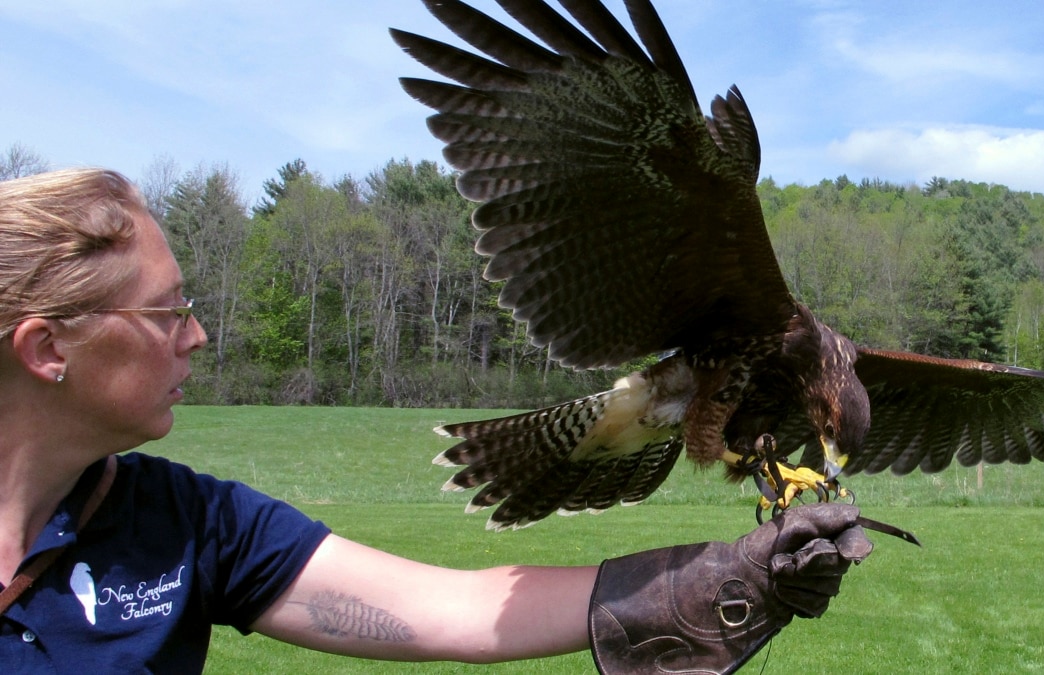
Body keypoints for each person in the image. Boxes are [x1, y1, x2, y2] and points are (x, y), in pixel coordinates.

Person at [0, 167, 873, 673]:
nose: (198, 335)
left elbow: (449, 608)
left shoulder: (188, 526)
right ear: (48, 349)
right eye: (166, 314)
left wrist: (723, 577)